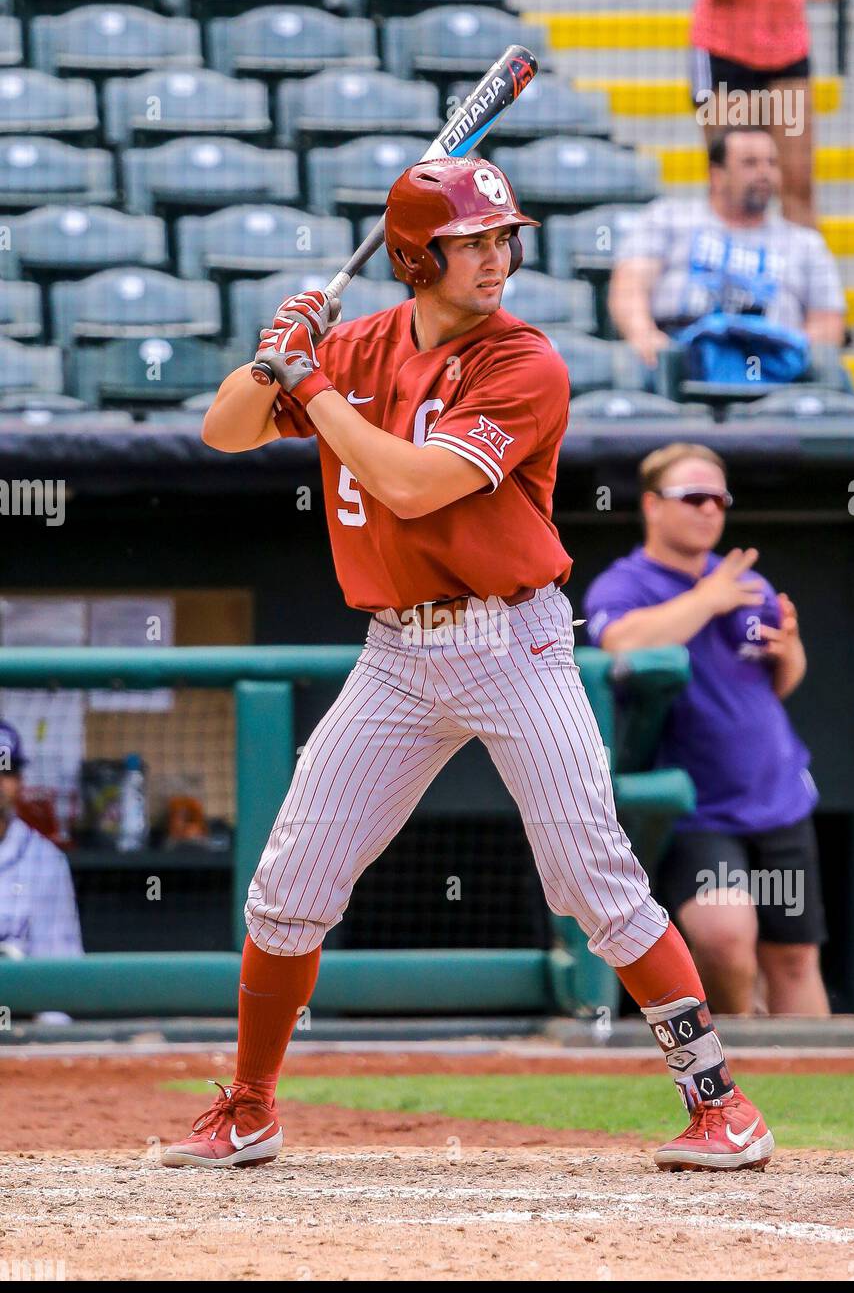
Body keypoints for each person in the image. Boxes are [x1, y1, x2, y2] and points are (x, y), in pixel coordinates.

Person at [163, 157, 773, 1173]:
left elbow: (408, 487)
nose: (497, 259)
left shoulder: (523, 361)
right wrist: (273, 354)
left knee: (592, 879)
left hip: (515, 640)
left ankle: (721, 1103)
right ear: (414, 256)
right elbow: (221, 430)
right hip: (397, 650)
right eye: (472, 242)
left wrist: (309, 382)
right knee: (288, 884)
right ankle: (252, 1107)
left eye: (503, 239)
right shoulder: (353, 344)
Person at [583, 442, 829, 1017]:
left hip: (780, 798)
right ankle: (739, 1052)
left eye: (719, 498)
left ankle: (812, 1091)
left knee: (793, 959)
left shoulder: (746, 581)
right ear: (651, 506)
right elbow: (620, 642)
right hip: (696, 808)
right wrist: (706, 599)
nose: (710, 510)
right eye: (693, 497)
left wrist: (791, 653)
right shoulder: (626, 584)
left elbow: (774, 682)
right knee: (723, 938)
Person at [608, 126, 845, 371]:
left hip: (773, 364)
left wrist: (794, 359)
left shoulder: (806, 243)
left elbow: (828, 324)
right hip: (680, 360)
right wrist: (644, 335)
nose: (764, 173)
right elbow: (629, 287)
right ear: (717, 174)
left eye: (772, 163)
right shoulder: (667, 217)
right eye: (750, 163)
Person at [690, 0, 847, 228]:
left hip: (788, 53)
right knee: (732, 187)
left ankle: (803, 266)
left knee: (799, 185)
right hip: (725, 51)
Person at [0, 721, 83, 964]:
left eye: (7, 770)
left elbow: (60, 965)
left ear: (20, 782)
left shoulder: (46, 860)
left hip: (18, 999)